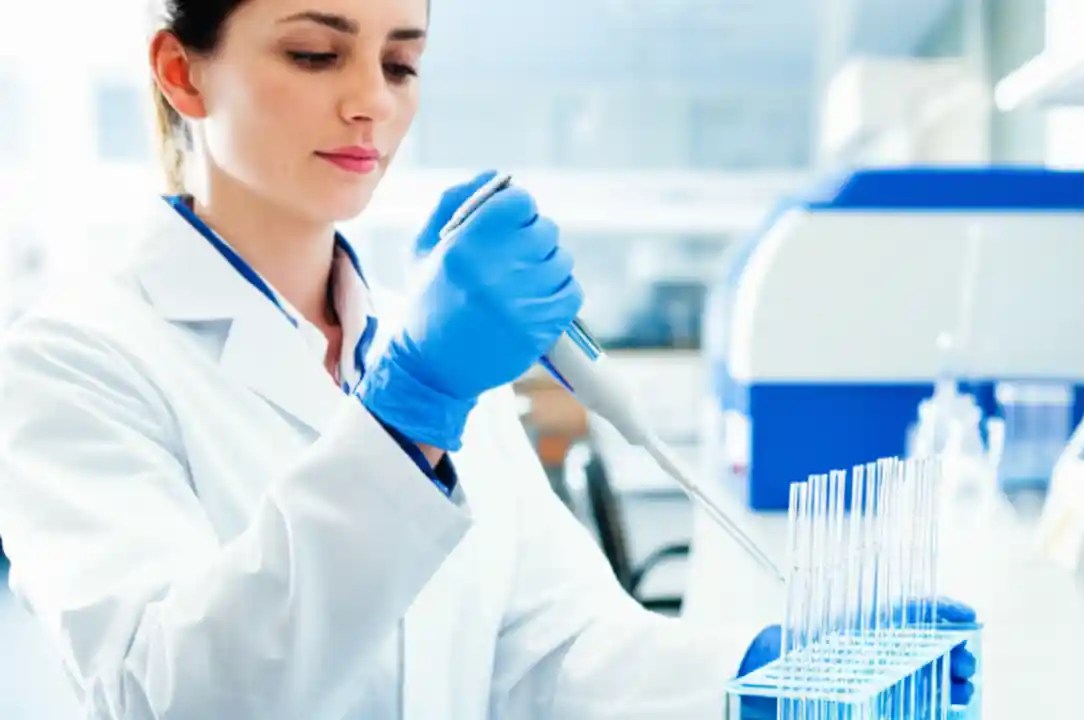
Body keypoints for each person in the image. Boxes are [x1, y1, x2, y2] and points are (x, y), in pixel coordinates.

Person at [0, 0, 975, 718]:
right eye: (314, 53)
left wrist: (753, 674)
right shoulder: (73, 362)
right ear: (181, 73)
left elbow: (549, 647)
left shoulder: (415, 347)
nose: (370, 102)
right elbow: (163, 695)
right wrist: (402, 418)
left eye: (400, 64)